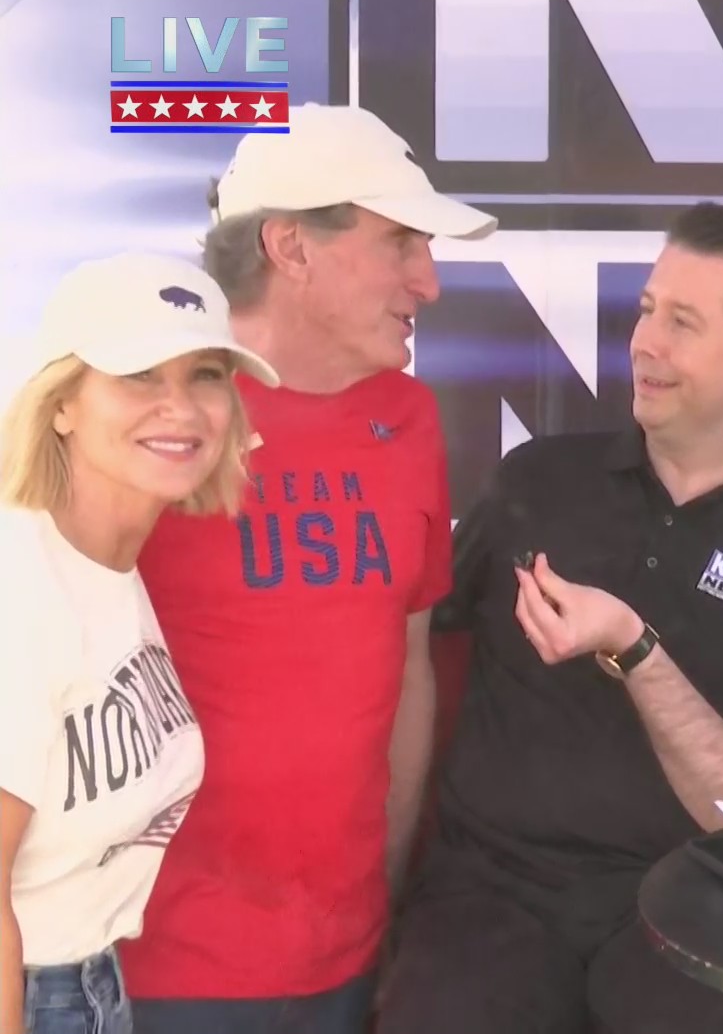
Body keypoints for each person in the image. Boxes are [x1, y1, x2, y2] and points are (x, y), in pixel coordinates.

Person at [376, 202, 723, 1034]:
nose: (645, 343)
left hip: (696, 910)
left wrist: (636, 649)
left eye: (683, 323)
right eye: (647, 311)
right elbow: (412, 651)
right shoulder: (536, 483)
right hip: (490, 899)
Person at [114, 104, 499, 1033]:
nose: (429, 282)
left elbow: (404, 671)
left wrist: (391, 886)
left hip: (349, 950)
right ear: (291, 247)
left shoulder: (405, 419)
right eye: (401, 243)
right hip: (154, 961)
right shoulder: (149, 414)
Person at [1, 253, 279, 1034]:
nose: (181, 408)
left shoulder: (109, 567)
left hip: (92, 984)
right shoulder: (20, 579)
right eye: (138, 375)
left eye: (206, 374)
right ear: (62, 404)